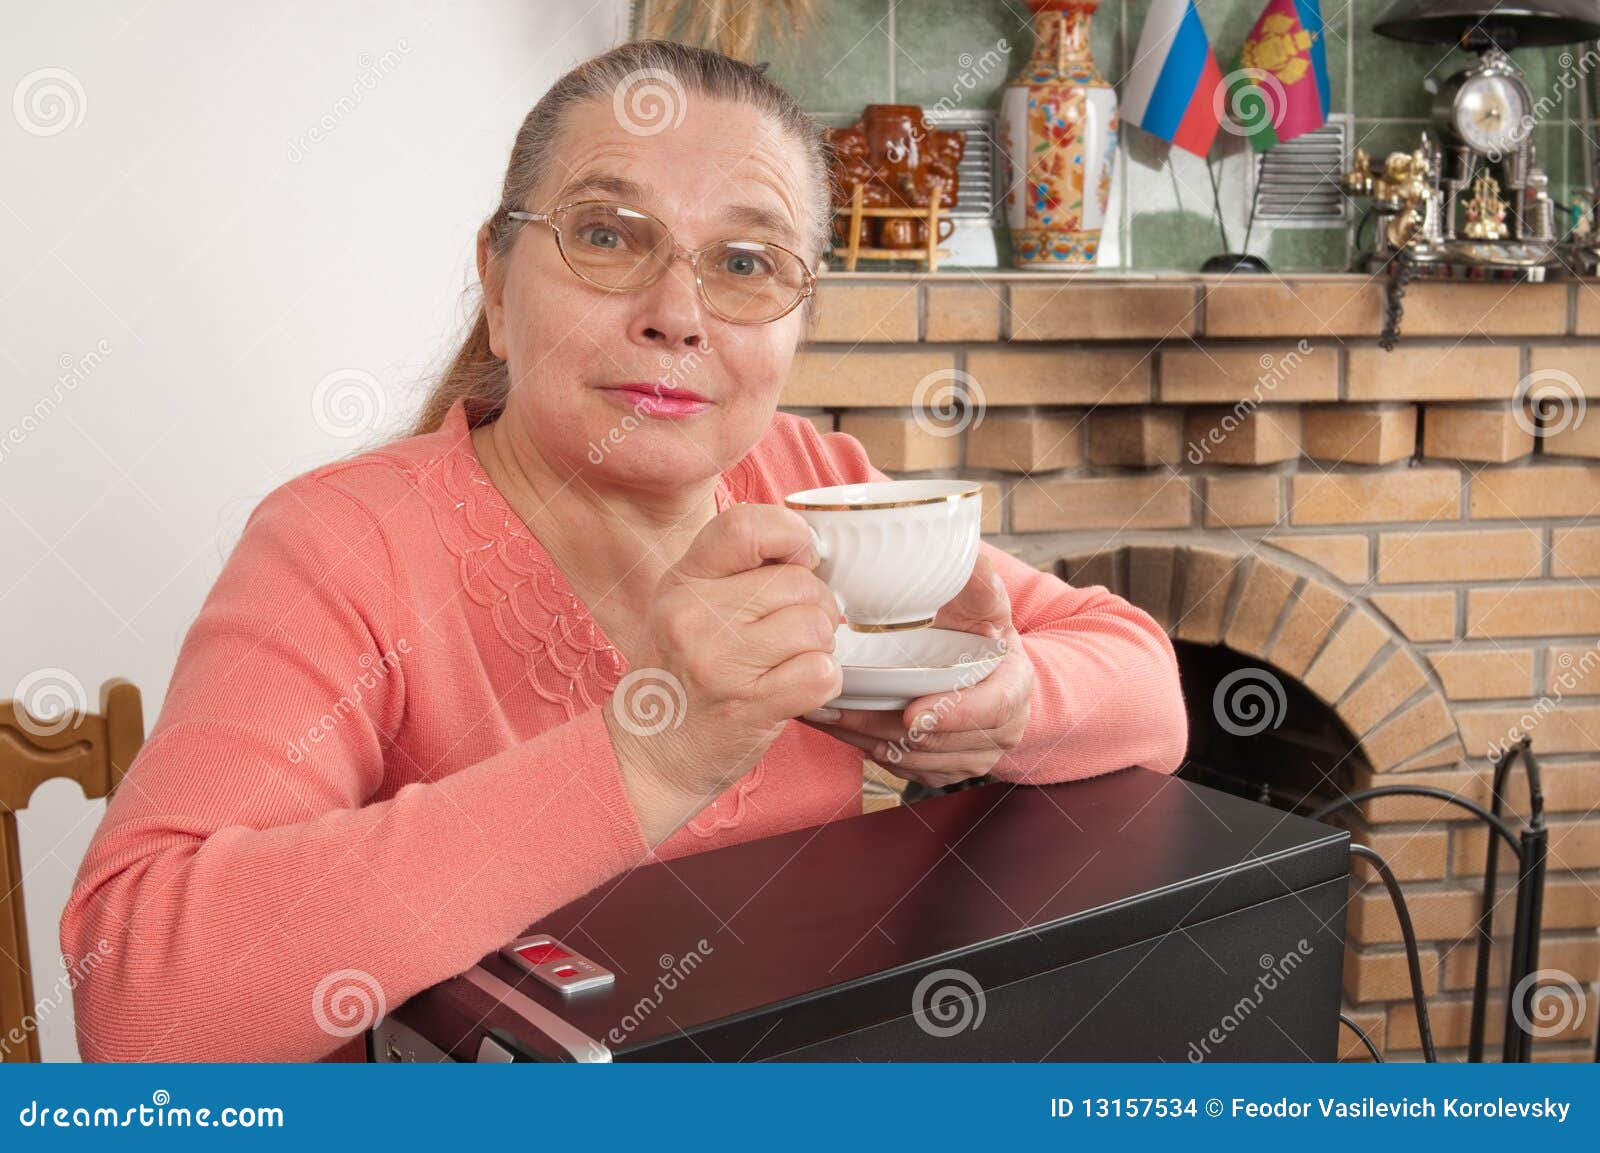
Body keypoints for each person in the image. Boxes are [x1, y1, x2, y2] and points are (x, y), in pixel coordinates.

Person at [61, 39, 1188, 1062]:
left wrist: (1003, 700)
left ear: (797, 325)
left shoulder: (815, 484)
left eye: (745, 262)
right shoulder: (343, 543)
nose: (676, 312)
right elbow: (141, 1006)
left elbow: (1147, 688)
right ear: (498, 287)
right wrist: (646, 758)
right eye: (606, 236)